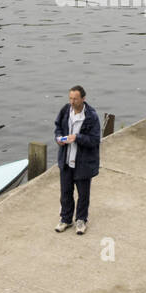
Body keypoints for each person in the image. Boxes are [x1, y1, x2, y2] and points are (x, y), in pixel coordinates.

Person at [53, 85, 101, 235]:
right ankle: (66, 219)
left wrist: (77, 138)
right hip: (66, 160)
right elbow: (58, 127)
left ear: (83, 99)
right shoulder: (65, 110)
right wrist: (59, 138)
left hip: (83, 163)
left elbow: (94, 140)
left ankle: (81, 220)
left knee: (83, 194)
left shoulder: (91, 116)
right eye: (70, 99)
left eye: (75, 99)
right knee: (65, 192)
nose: (72, 102)